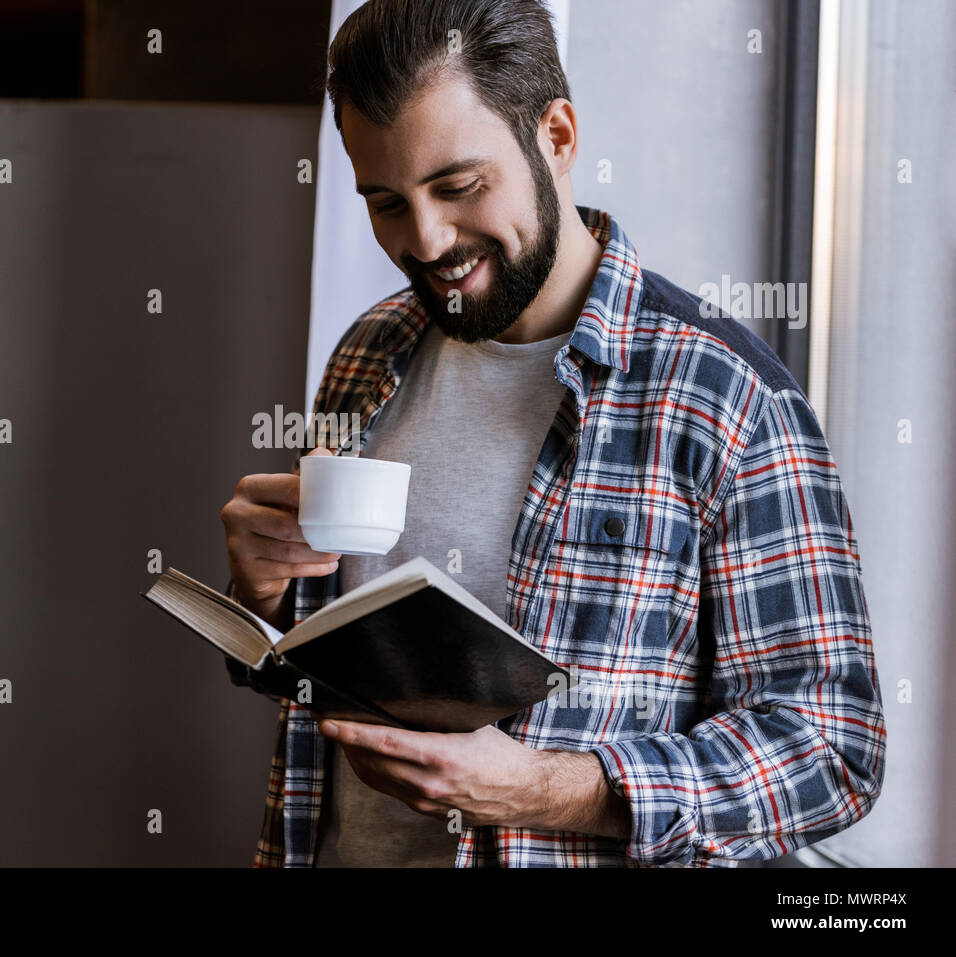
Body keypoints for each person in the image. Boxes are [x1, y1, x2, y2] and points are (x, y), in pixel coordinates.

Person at [218, 0, 884, 867]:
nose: (426, 240)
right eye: (386, 202)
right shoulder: (366, 353)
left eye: (458, 187)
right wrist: (263, 598)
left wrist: (542, 787)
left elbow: (832, 752)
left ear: (558, 137)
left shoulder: (725, 397)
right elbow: (330, 673)